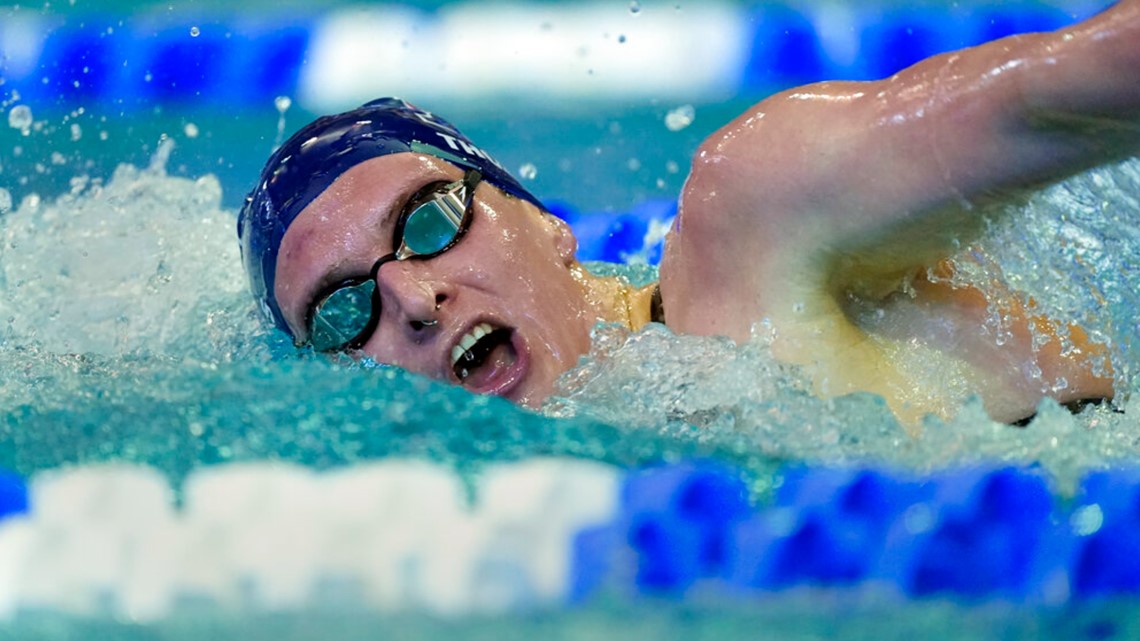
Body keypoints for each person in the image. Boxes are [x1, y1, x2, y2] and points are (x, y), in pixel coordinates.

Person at [239, 0, 1138, 427]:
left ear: (546, 222)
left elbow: (1049, 98)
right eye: (343, 311)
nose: (414, 297)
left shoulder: (751, 231)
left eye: (430, 220)